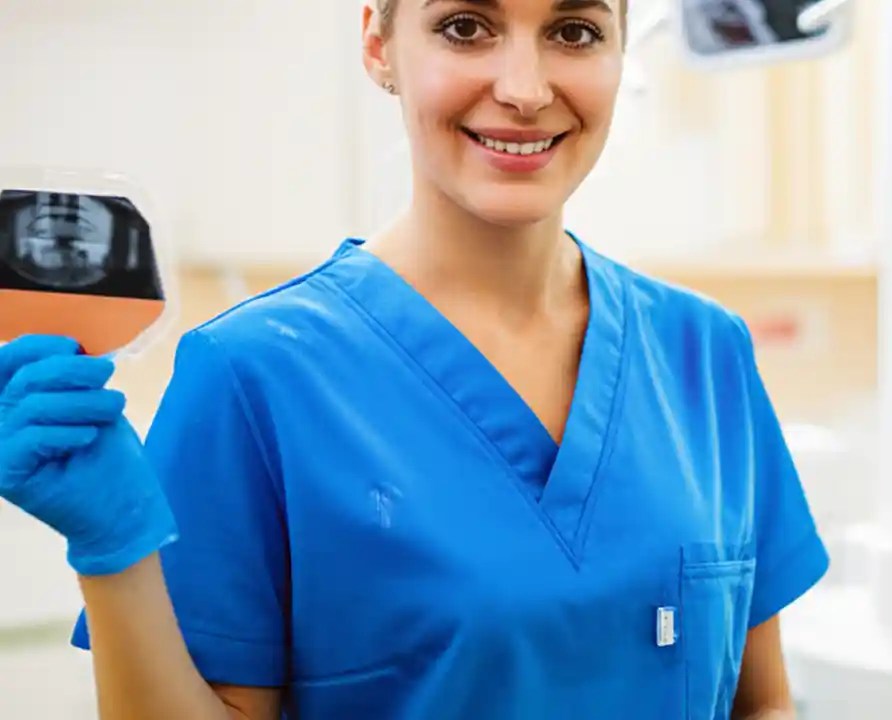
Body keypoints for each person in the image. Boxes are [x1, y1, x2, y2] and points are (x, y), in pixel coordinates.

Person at [0, 0, 829, 717]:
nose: (526, 89)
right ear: (378, 44)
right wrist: (115, 554)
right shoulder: (254, 375)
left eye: (574, 31)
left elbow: (761, 702)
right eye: (466, 27)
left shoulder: (704, 352)